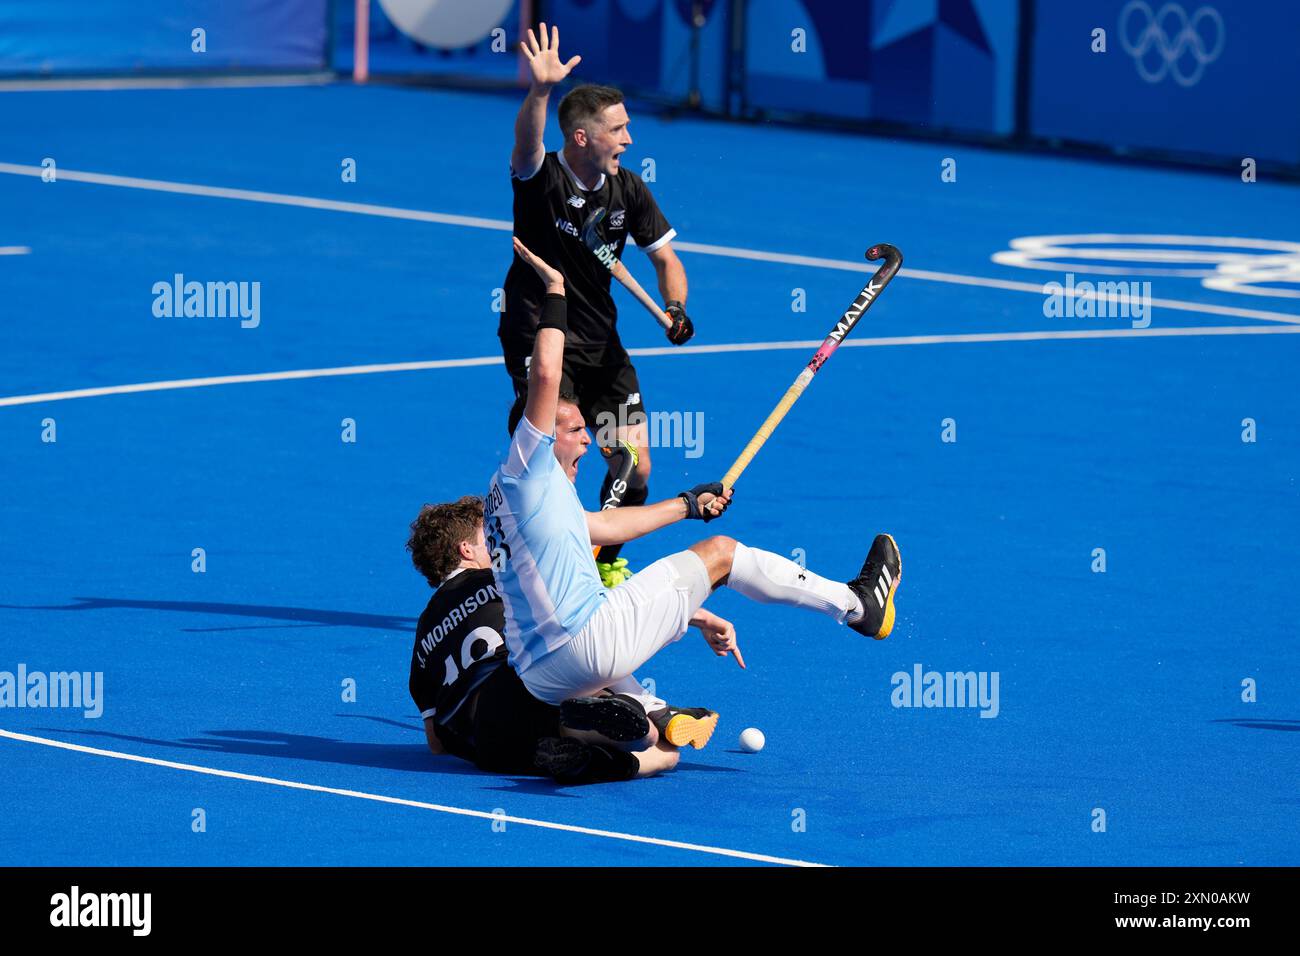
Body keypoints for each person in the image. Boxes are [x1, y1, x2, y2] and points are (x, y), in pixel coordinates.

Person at [479, 236, 903, 781]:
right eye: (575, 429)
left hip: (541, 675)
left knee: (624, 633)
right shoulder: (529, 459)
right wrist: (556, 292)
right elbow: (544, 376)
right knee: (722, 555)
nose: (588, 440)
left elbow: (604, 526)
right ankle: (857, 605)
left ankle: (648, 714)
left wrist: (686, 505)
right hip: (588, 647)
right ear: (537, 434)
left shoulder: (517, 496)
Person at [501, 23, 695, 588]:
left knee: (633, 464)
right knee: (554, 463)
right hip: (542, 342)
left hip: (604, 349)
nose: (629, 138)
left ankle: (603, 560)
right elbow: (527, 145)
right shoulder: (542, 179)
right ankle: (530, 563)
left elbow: (665, 260)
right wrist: (539, 92)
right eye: (618, 129)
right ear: (583, 137)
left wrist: (675, 307)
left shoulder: (627, 190)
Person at [406, 497, 724, 783]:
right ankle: (640, 716)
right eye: (486, 536)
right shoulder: (506, 578)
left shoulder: (423, 635)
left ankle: (589, 757)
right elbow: (593, 612)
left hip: (488, 750)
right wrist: (696, 615)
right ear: (466, 550)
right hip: (513, 687)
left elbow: (436, 743)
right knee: (664, 751)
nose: (496, 539)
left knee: (567, 732)